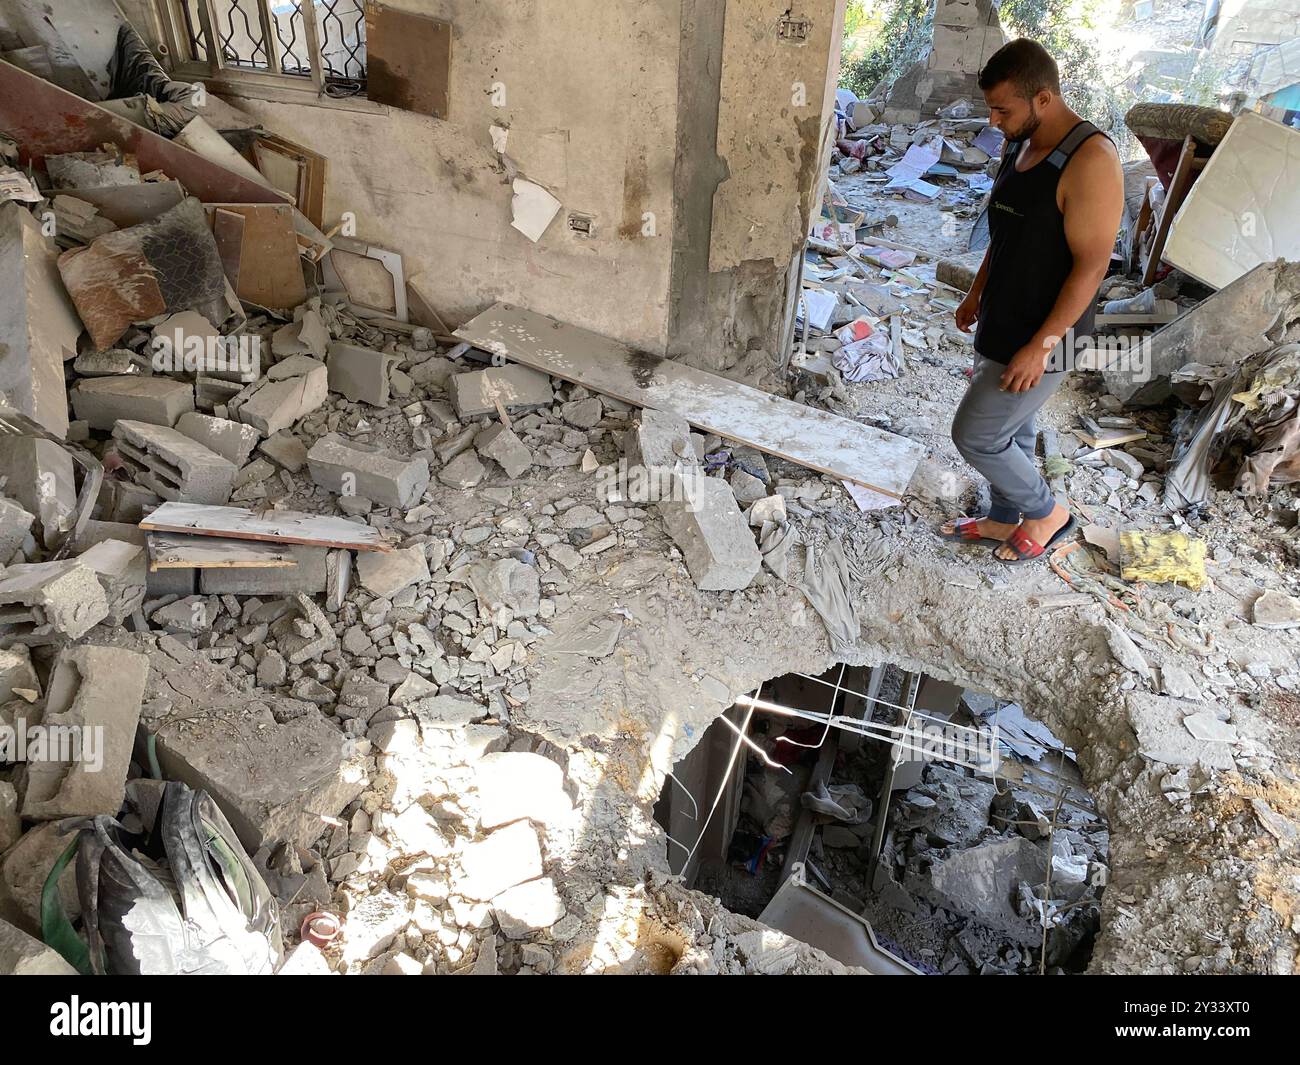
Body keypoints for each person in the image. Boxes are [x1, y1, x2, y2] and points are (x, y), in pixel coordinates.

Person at [938, 38, 1124, 563]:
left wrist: (1043, 346)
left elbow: (1091, 267)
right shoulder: (1018, 143)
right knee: (1012, 427)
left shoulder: (1092, 160)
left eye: (1003, 109)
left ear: (1043, 98)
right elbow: (1006, 232)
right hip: (1003, 315)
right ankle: (1003, 519)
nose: (994, 120)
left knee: (975, 433)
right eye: (991, 108)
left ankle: (1046, 513)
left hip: (1053, 334)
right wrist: (977, 291)